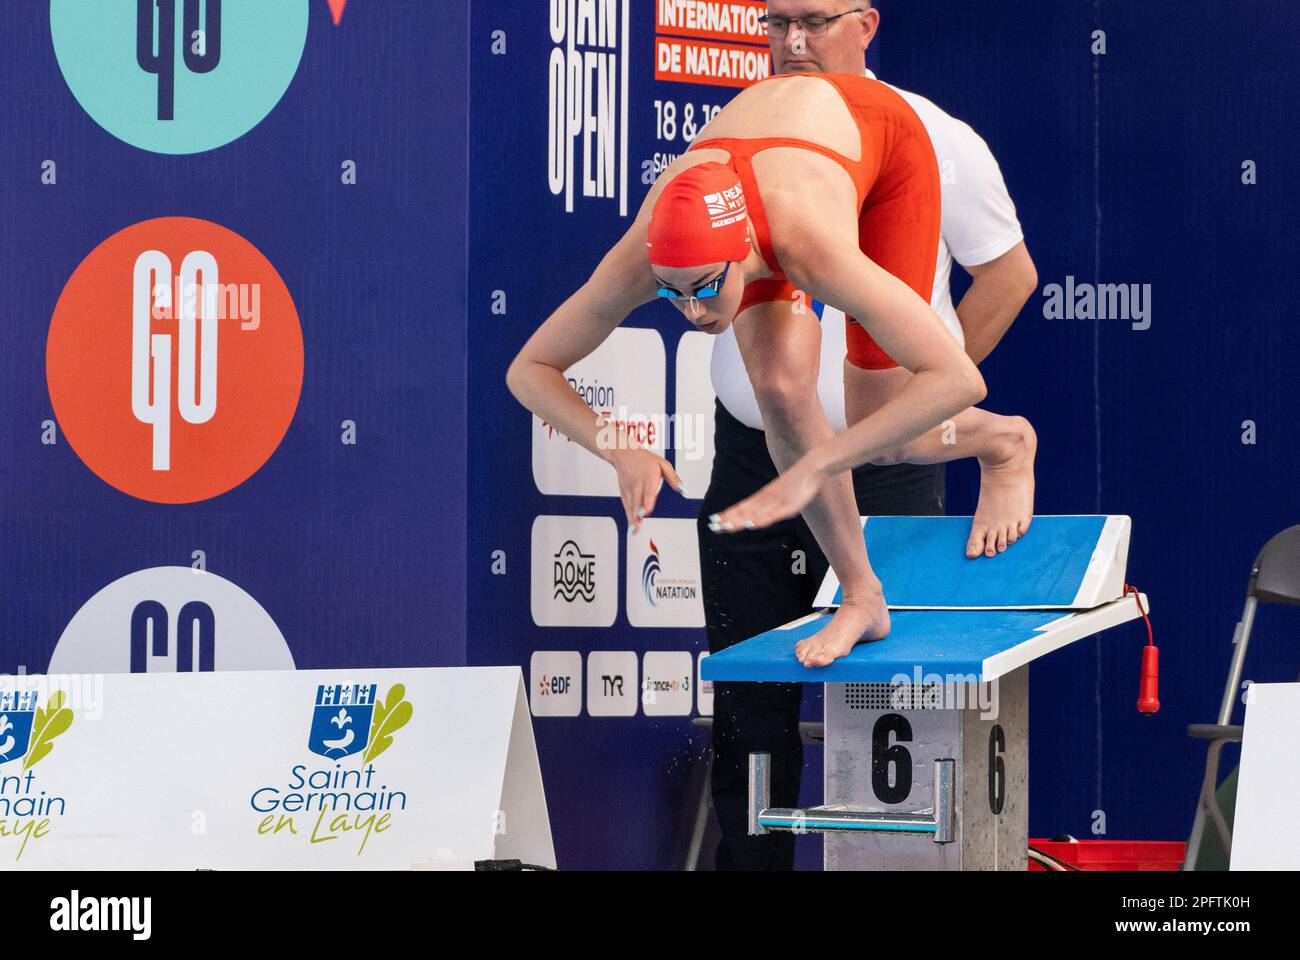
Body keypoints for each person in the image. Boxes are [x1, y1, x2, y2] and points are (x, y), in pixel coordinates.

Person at [509, 65, 1033, 670]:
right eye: (669, 293)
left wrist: (824, 458)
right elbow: (532, 368)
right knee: (779, 389)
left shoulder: (807, 244)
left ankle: (1005, 442)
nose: (693, 312)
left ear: (747, 255)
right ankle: (864, 598)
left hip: (881, 142)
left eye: (706, 289)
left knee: (884, 428)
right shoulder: (644, 255)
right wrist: (616, 445)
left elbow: (958, 379)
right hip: (766, 154)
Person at [699, 0, 1040, 871]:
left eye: (813, 20)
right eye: (775, 25)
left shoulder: (931, 133)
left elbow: (1009, 274)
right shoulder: (737, 131)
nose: (793, 43)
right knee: (749, 716)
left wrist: (929, 398)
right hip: (752, 456)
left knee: (893, 712)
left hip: (882, 469)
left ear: (867, 23)